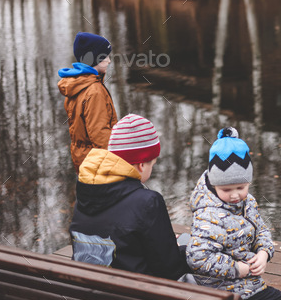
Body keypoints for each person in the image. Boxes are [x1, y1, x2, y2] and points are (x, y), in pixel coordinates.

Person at [69, 114, 188, 280]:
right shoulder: (148, 202)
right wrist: (175, 248)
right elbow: (170, 270)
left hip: (84, 289)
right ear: (141, 164)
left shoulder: (86, 189)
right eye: (152, 163)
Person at [186, 127, 281, 300]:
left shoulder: (248, 202)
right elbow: (198, 257)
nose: (235, 195)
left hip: (246, 281)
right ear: (213, 183)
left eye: (241, 188)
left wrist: (264, 253)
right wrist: (236, 268)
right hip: (220, 287)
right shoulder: (209, 214)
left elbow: (262, 230)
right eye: (226, 189)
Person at [58, 32, 118, 171]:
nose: (109, 61)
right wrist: (118, 162)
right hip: (99, 164)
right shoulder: (94, 90)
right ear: (94, 59)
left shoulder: (76, 84)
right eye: (105, 57)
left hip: (84, 159)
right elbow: (100, 134)